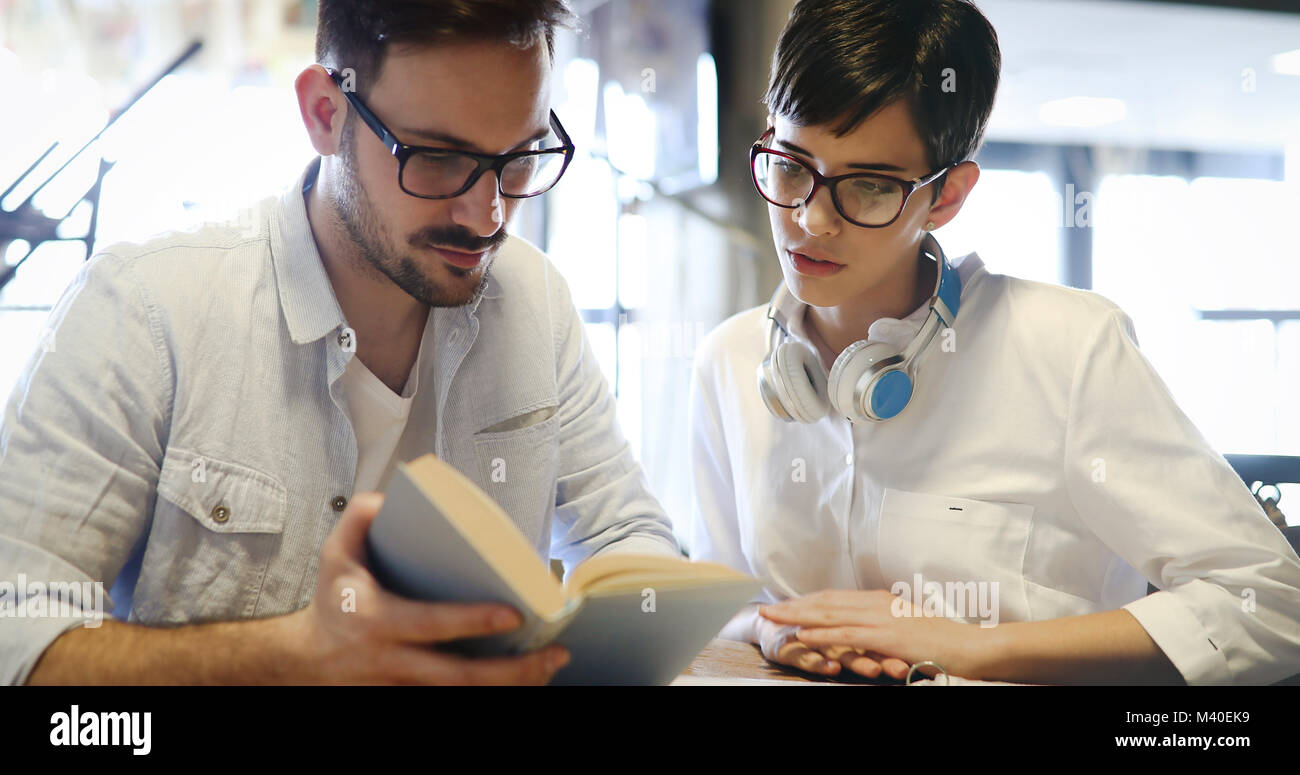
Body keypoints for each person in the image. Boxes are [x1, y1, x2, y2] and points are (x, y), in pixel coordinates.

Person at [0, 0, 681, 686]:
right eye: (440, 159)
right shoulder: (144, 310)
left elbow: (631, 541)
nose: (489, 215)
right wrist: (288, 656)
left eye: (521, 158)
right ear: (326, 114)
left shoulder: (536, 305)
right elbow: (16, 636)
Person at [688, 0, 1300, 685]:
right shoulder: (729, 361)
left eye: (866, 186)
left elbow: (1272, 603)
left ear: (947, 195)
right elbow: (723, 597)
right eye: (791, 166)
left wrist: (966, 646)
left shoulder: (1068, 349)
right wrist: (770, 626)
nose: (810, 219)